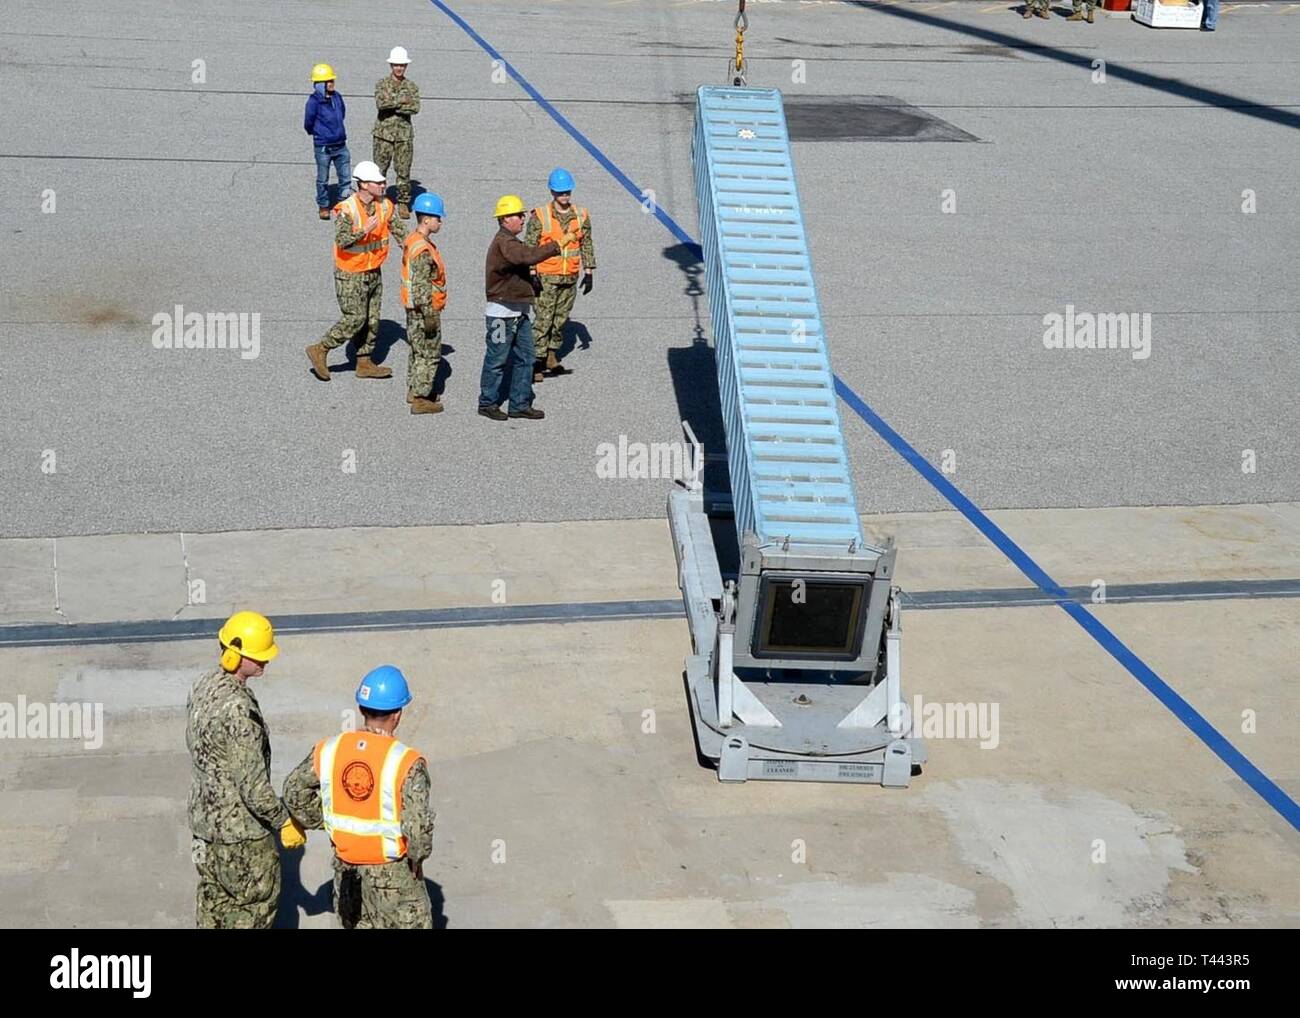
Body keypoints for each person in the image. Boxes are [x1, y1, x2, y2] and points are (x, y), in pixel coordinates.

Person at [283, 666, 435, 929]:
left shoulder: (329, 749)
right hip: (393, 876)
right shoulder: (407, 761)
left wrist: (326, 820)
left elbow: (293, 791)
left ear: (362, 709)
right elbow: (418, 830)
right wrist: (417, 860)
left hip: (347, 874)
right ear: (397, 714)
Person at [187, 611, 305, 928]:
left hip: (204, 827)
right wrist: (284, 823)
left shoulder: (204, 686)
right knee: (251, 911)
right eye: (258, 657)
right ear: (235, 655)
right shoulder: (239, 710)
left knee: (213, 907)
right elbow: (253, 788)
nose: (265, 662)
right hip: (241, 837)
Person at [477, 195, 577, 422]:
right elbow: (527, 256)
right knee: (497, 359)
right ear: (504, 219)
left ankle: (519, 404)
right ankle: (487, 402)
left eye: (522, 215)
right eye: (517, 215)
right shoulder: (506, 243)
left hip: (519, 314)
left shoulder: (512, 241)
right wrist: (556, 245)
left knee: (527, 358)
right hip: (500, 316)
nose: (522, 219)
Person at [306, 160, 408, 381]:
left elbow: (400, 232)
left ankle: (364, 362)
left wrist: (413, 249)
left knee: (372, 319)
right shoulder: (347, 209)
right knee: (355, 318)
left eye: (382, 181)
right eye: (377, 182)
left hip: (373, 270)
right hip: (350, 272)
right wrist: (364, 230)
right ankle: (320, 348)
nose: (383, 185)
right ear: (363, 185)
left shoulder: (384, 205)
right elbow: (342, 241)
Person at [524, 168, 596, 382]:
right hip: (546, 277)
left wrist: (589, 271)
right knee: (543, 320)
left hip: (569, 276)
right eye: (560, 193)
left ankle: (551, 354)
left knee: (560, 318)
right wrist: (532, 272)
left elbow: (586, 243)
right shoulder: (541, 215)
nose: (564, 197)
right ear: (552, 192)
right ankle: (536, 361)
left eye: (567, 192)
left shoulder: (581, 215)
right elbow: (530, 245)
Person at [401, 192, 449, 414]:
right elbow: (422, 286)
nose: (440, 222)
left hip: (413, 309)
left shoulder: (413, 240)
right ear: (427, 219)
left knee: (416, 350)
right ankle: (421, 397)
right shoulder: (422, 248)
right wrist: (430, 314)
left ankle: (414, 389)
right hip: (424, 310)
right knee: (429, 353)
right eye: (438, 218)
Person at [373, 47, 420, 219]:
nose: (399, 68)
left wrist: (392, 103)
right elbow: (381, 104)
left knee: (403, 171)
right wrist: (401, 101)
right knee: (379, 170)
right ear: (391, 65)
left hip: (403, 136)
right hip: (383, 134)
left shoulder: (411, 86)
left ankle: (403, 202)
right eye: (396, 65)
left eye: (402, 65)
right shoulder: (381, 84)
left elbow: (415, 107)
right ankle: (378, 199)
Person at [304, 63, 351, 220]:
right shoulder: (313, 101)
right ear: (319, 84)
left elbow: (342, 113)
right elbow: (308, 122)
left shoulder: (337, 97)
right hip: (323, 146)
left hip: (340, 144)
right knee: (323, 179)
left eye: (332, 80)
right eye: (328, 81)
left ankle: (344, 205)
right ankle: (324, 205)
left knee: (345, 177)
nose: (331, 83)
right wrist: (319, 134)